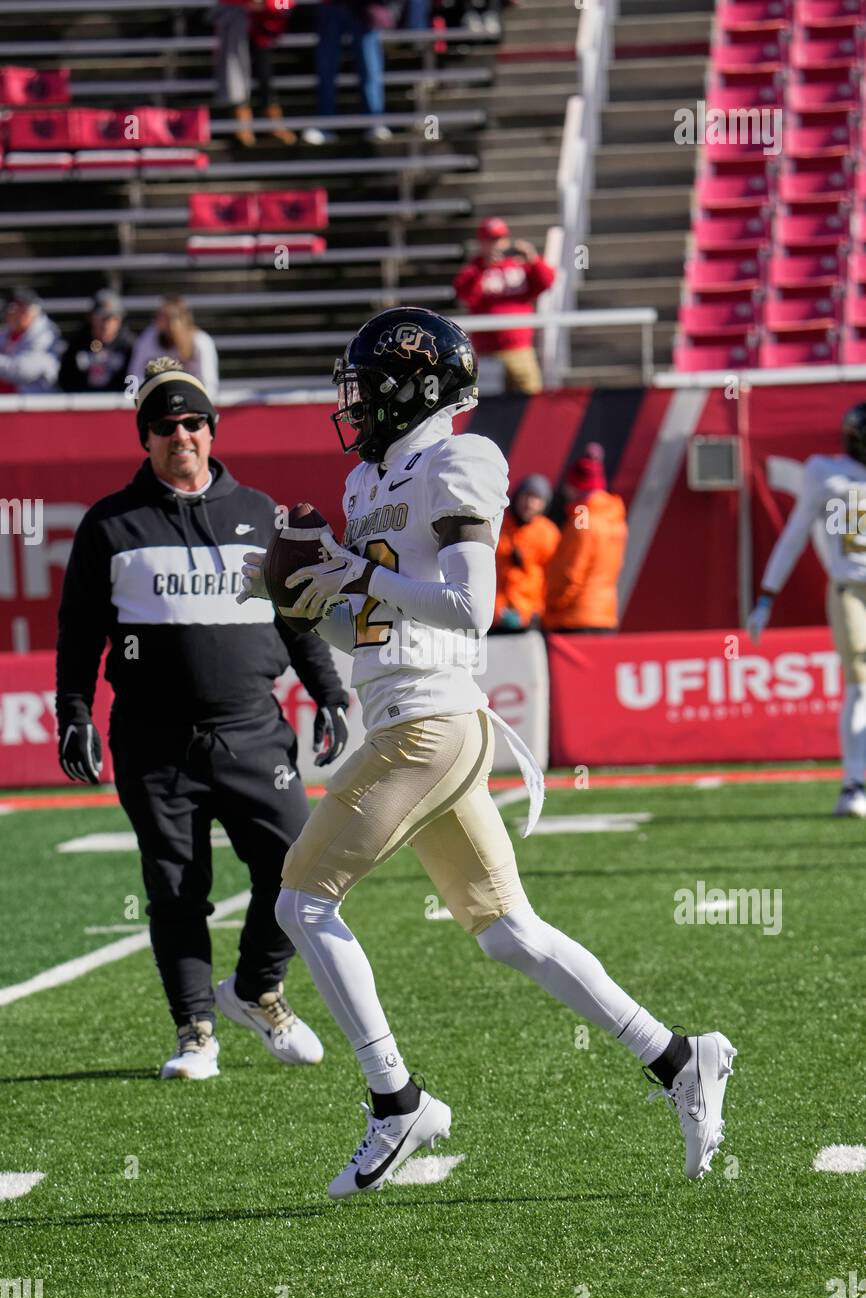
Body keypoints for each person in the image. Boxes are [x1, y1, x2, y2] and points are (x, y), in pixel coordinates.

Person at [239, 306, 736, 1199]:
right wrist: (317, 600)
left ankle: (396, 1100)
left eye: (364, 384)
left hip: (431, 723)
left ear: (412, 386)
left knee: (302, 901)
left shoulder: (461, 458)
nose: (352, 404)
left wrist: (357, 576)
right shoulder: (368, 482)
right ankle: (677, 1058)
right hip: (409, 712)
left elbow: (470, 605)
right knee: (509, 932)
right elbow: (381, 625)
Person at [56, 358, 350, 1079]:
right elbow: (77, 629)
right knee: (176, 887)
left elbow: (296, 618)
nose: (179, 435)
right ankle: (195, 1031)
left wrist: (331, 693)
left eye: (192, 422)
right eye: (164, 426)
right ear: (145, 439)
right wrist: (73, 712)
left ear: (211, 430)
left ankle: (256, 990)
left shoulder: (259, 511)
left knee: (297, 868)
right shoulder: (109, 524)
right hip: (153, 740)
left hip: (252, 728)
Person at [748, 402, 866, 818]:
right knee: (860, 682)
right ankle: (854, 783)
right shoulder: (825, 472)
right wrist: (767, 594)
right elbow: (796, 533)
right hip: (851, 588)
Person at [452, 217, 555, 395]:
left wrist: (533, 259)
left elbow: (547, 281)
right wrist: (484, 269)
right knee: (489, 404)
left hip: (520, 350)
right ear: (481, 242)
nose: (495, 245)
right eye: (490, 240)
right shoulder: (474, 269)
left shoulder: (519, 264)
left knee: (530, 398)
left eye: (499, 239)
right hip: (487, 352)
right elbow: (465, 295)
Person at [544, 444, 628, 633]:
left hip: (575, 617)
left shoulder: (582, 521)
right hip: (605, 615)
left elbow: (571, 573)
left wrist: (551, 603)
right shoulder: (614, 517)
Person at [302, 1, 393, 146]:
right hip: (331, 5)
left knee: (369, 66)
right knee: (327, 68)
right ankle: (326, 124)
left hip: (362, 6)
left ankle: (375, 122)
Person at [214, 0, 297, 148]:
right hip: (237, 28)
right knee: (236, 76)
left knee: (265, 77)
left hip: (265, 33)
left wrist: (267, 5)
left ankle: (274, 124)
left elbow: (286, 6)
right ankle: (243, 125)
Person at [493, 473, 560, 630]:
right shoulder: (497, 524)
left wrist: (536, 613)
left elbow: (552, 579)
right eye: (527, 496)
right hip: (493, 612)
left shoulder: (548, 534)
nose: (530, 504)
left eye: (537, 499)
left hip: (528, 616)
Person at [129, 296, 219, 400]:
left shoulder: (201, 341)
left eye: (168, 317)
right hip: (155, 400)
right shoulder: (148, 338)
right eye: (159, 316)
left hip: (190, 400)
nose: (159, 321)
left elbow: (209, 383)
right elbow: (134, 375)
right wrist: (135, 399)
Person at [58, 289, 135, 393]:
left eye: (111, 317)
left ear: (120, 319)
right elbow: (65, 379)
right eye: (101, 317)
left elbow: (134, 382)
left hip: (118, 405)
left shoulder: (129, 346)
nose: (105, 324)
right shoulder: (77, 343)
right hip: (82, 404)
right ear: (91, 318)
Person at [0, 286, 62, 394]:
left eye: (23, 309)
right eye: (13, 308)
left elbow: (23, 371)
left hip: (39, 403)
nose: (17, 314)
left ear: (35, 311)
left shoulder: (46, 333)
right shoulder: (7, 332)